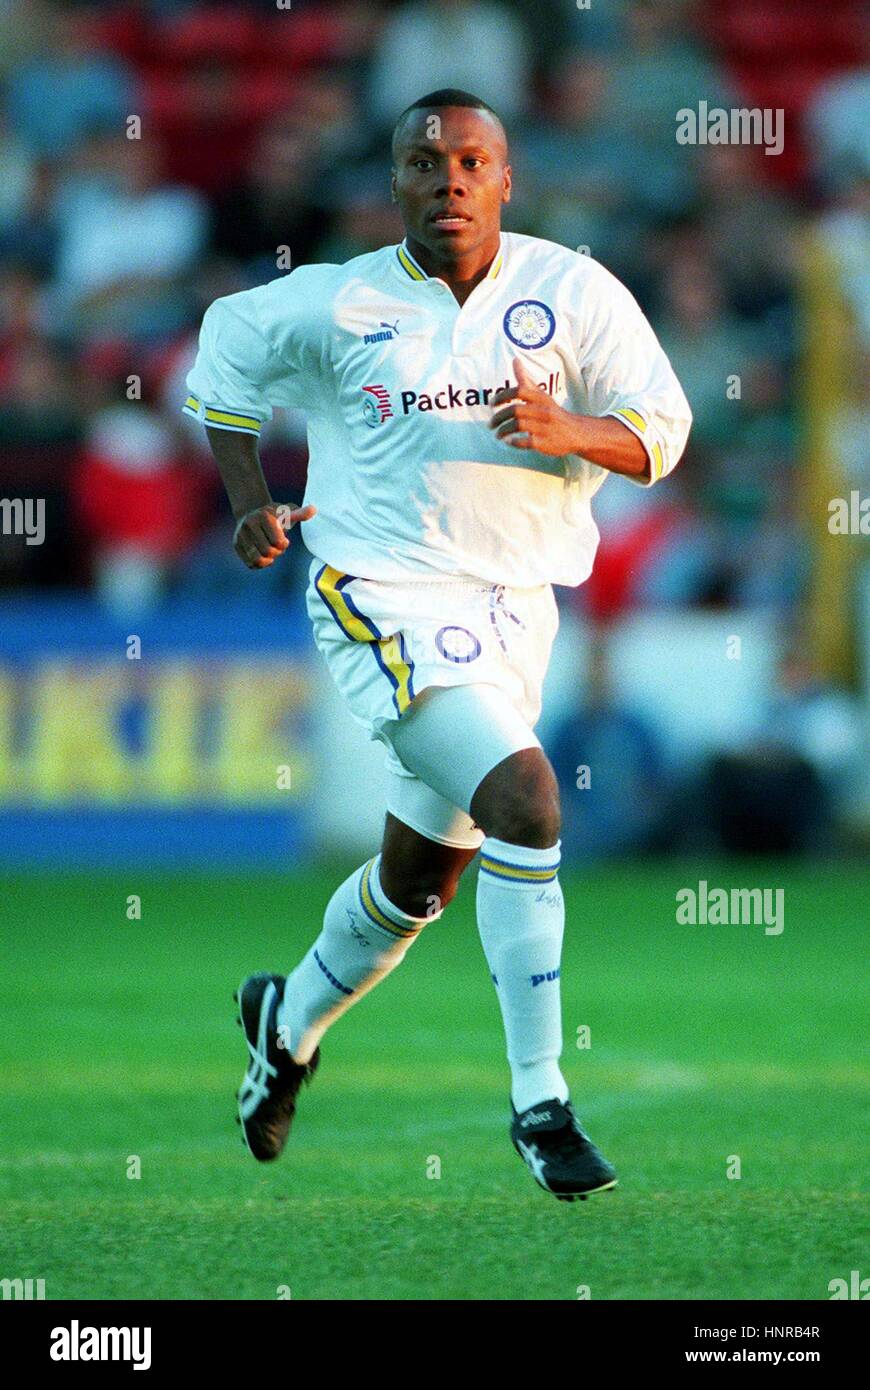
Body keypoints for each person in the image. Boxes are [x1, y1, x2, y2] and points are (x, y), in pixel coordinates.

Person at [183, 90, 692, 1201]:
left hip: (518, 613)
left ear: (507, 179)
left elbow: (664, 426)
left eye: (473, 162)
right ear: (396, 183)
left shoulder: (572, 291)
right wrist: (247, 498)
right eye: (426, 161)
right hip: (382, 594)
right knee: (529, 801)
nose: (450, 180)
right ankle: (541, 1097)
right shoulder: (338, 301)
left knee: (421, 883)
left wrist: (571, 432)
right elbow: (223, 355)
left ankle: (290, 1020)